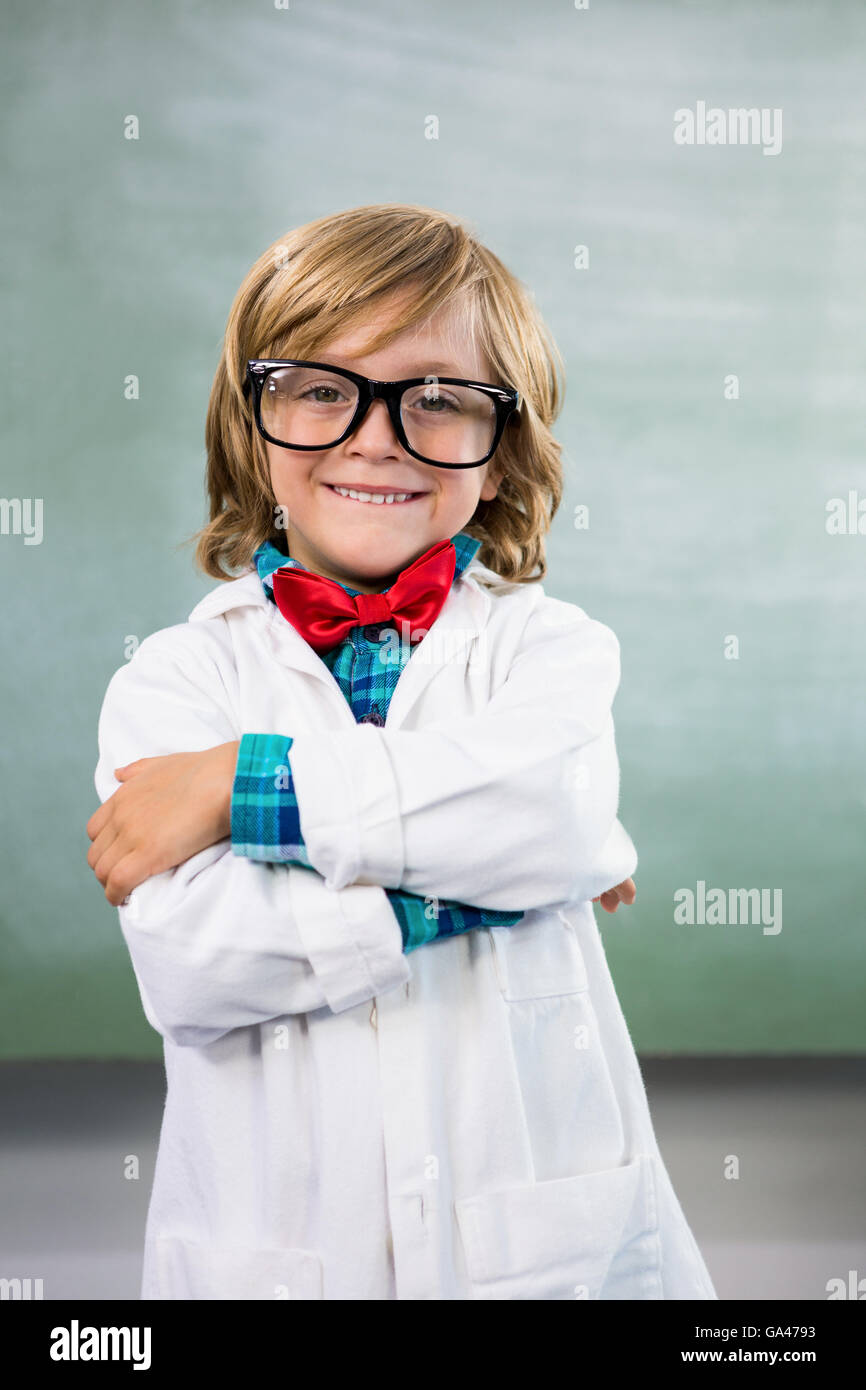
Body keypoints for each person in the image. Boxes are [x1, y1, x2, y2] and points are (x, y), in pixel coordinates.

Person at [86, 203, 717, 1301]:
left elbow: (552, 817)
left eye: (436, 397)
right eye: (322, 388)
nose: (375, 436)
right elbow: (196, 963)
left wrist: (246, 784)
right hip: (273, 1256)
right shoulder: (173, 684)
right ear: (251, 423)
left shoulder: (547, 647)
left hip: (538, 1247)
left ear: (501, 443)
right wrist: (488, 888)